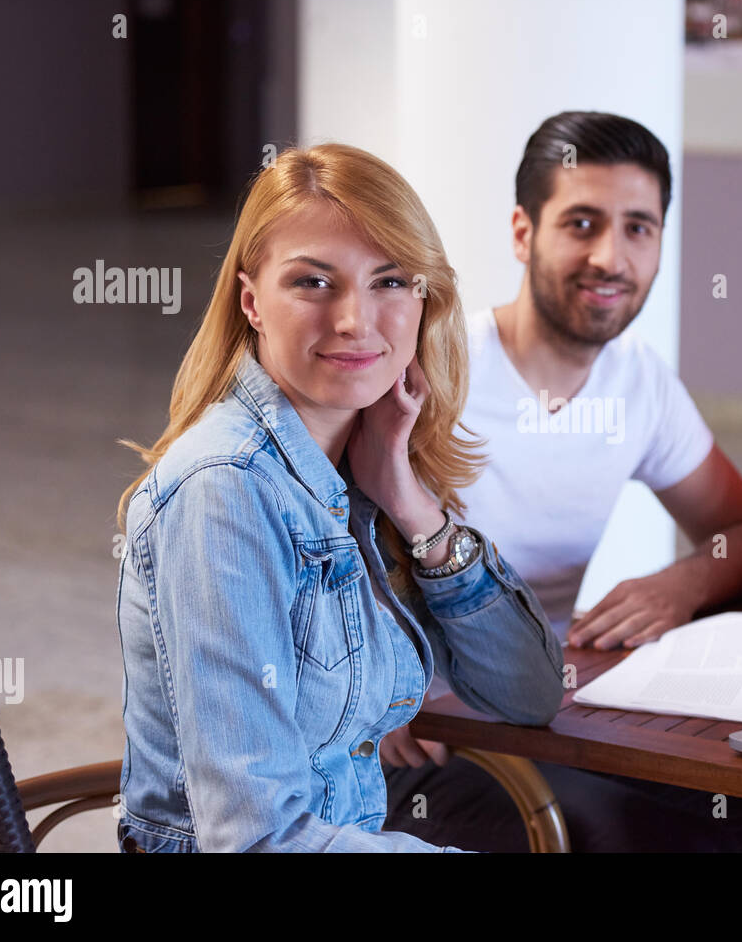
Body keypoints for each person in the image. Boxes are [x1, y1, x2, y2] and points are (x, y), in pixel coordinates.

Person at [382, 112, 742, 853]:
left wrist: (680, 584)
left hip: (541, 708)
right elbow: (319, 543)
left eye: (638, 228)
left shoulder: (639, 381)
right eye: (581, 223)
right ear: (523, 233)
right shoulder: (434, 368)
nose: (611, 257)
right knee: (618, 835)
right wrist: (373, 690)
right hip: (414, 737)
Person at [113, 143, 564, 853]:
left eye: (390, 281)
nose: (355, 318)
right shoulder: (225, 489)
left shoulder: (357, 469)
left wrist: (409, 503)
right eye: (314, 281)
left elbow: (528, 693)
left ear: (424, 300)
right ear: (252, 302)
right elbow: (257, 840)